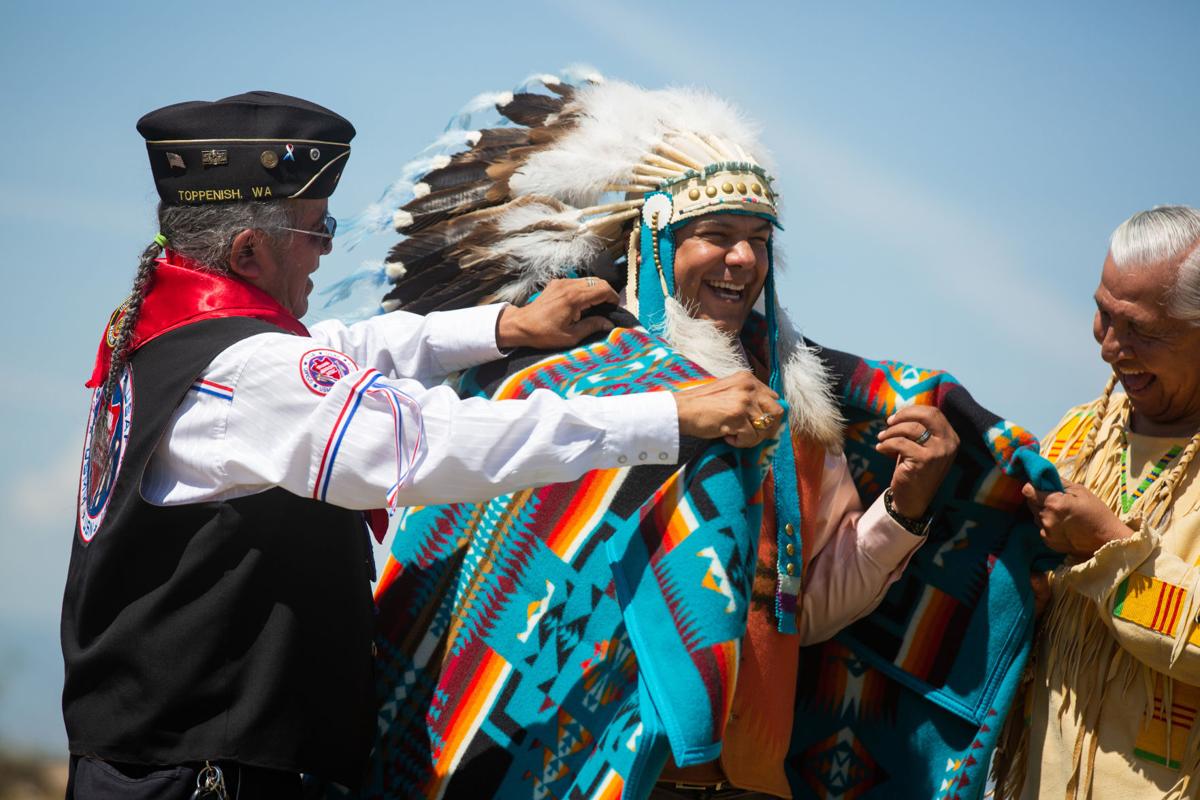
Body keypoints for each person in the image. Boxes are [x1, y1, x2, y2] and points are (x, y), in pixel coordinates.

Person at [60, 90, 783, 800]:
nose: (325, 250)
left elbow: (339, 348)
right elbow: (425, 446)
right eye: (316, 228)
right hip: (205, 774)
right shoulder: (247, 372)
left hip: (149, 756)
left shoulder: (162, 330)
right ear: (249, 250)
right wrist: (666, 417)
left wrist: (508, 327)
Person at [357, 76, 967, 800]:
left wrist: (902, 510)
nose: (742, 261)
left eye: (758, 241)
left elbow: (803, 608)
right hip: (576, 770)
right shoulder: (561, 385)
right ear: (654, 245)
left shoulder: (791, 405)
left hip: (744, 774)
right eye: (716, 236)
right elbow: (481, 585)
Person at [994, 206, 1200, 799]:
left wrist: (1109, 548)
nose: (1111, 346)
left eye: (1140, 329)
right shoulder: (1080, 435)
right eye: (1103, 313)